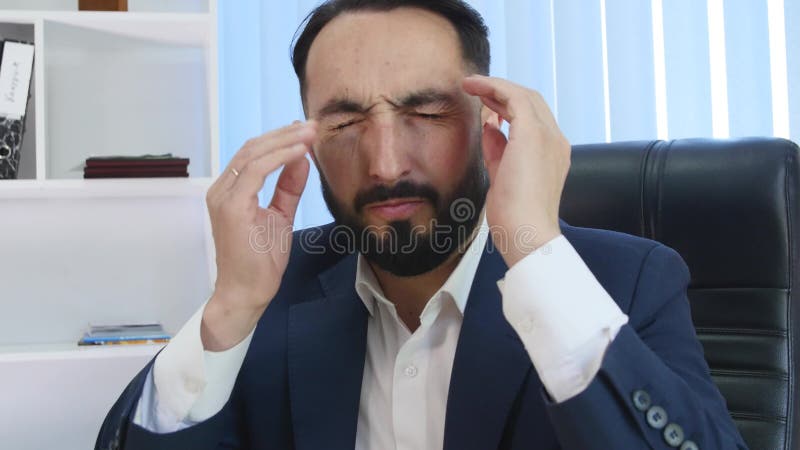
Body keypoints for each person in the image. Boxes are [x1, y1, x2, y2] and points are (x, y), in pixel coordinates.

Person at [97, 1, 747, 449]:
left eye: (427, 114)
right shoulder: (271, 287)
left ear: (491, 122)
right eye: (346, 123)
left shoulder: (626, 281)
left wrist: (536, 255)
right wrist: (229, 309)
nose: (384, 165)